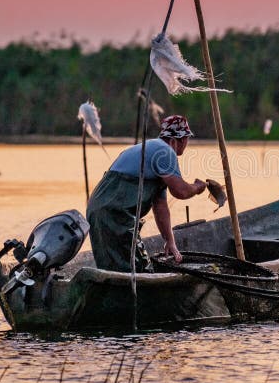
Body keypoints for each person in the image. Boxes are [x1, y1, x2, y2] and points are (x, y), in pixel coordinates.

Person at [86, 114, 207, 271]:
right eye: (186, 139)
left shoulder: (153, 150)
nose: (186, 143)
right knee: (132, 269)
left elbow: (160, 206)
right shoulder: (165, 152)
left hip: (100, 209)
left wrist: (169, 241)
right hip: (113, 212)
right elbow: (181, 191)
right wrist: (197, 188)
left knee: (120, 266)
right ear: (180, 139)